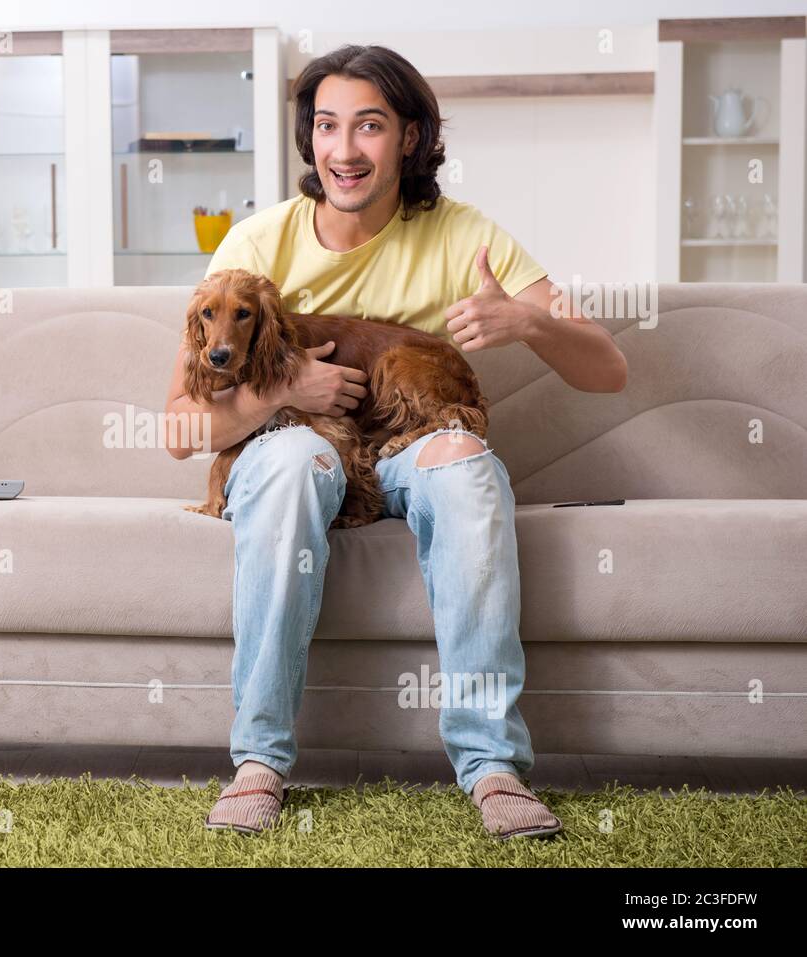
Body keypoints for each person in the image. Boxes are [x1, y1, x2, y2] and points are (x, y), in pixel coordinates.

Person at [163, 44, 628, 840]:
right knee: (290, 460)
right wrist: (282, 390)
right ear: (308, 139)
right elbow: (178, 427)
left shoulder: (464, 235)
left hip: (411, 441)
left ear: (410, 137)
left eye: (369, 126)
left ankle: (492, 766)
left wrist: (531, 321)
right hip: (298, 444)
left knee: (467, 469)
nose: (344, 150)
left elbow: (609, 370)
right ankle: (259, 761)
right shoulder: (256, 244)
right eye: (326, 126)